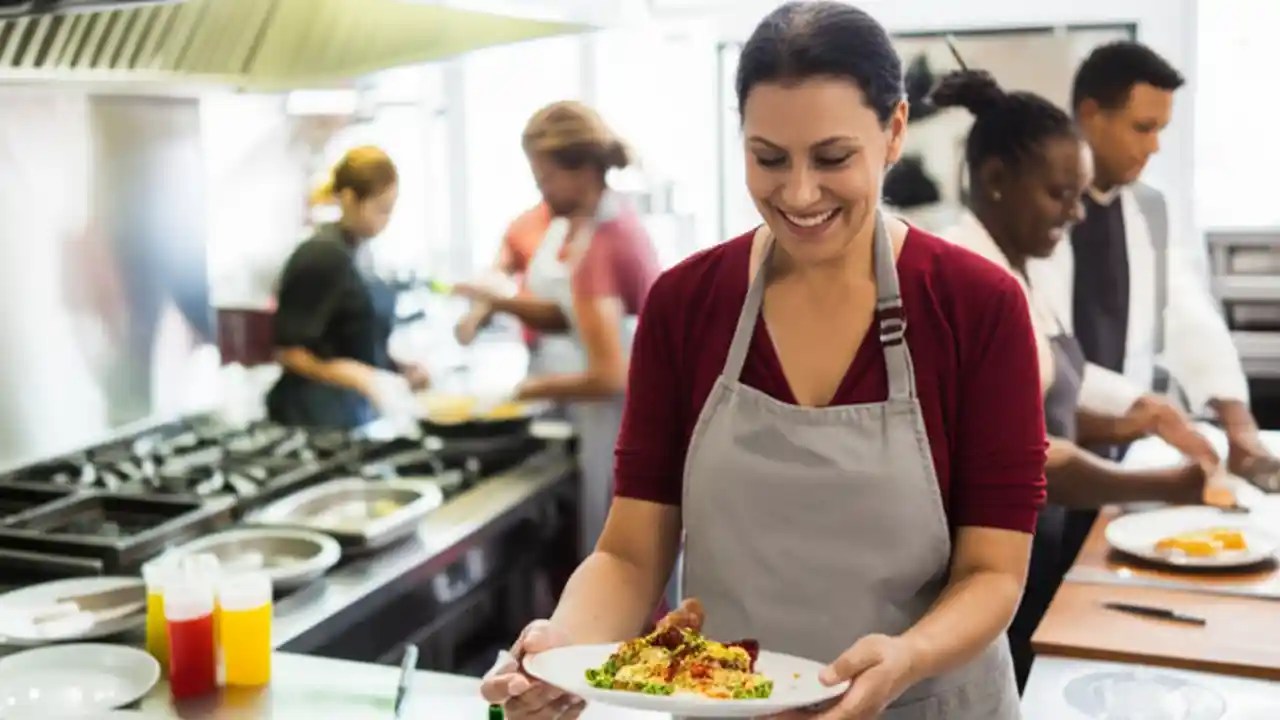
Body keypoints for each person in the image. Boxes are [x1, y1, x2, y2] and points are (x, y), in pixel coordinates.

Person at [481, 4, 1048, 718]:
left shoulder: (976, 305)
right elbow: (630, 553)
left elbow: (993, 573)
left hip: (926, 703)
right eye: (769, 158)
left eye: (833, 158)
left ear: (894, 130)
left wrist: (907, 656)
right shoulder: (687, 303)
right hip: (732, 705)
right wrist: (564, 653)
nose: (800, 193)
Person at [932, 68, 1218, 691]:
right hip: (985, 572)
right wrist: (1168, 487)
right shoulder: (968, 284)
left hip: (1034, 557)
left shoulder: (1019, 271)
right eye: (1061, 195)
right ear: (997, 181)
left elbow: (1050, 396)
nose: (1076, 215)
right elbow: (1029, 455)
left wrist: (1137, 419)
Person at [1028, 41, 1278, 559]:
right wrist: (1146, 409)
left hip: (1123, 455)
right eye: (1143, 128)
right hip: (1054, 451)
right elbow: (1049, 350)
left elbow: (1189, 314)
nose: (1155, 147)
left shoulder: (1149, 209)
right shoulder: (1037, 214)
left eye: (1162, 129)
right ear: (1091, 115)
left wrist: (1239, 426)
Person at [454, 101, 660, 559]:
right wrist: (494, 301)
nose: (542, 191)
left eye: (545, 177)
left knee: (622, 563)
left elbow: (611, 375)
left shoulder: (604, 242)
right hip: (612, 420)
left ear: (582, 170)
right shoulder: (596, 225)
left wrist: (528, 390)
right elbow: (569, 318)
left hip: (616, 424)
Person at [266, 146, 429, 429]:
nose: (385, 221)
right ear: (350, 199)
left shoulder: (361, 253)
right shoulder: (320, 254)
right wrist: (359, 377)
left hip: (355, 414)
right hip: (314, 418)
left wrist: (396, 369)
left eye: (390, 210)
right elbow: (289, 352)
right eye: (380, 210)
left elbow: (354, 337)